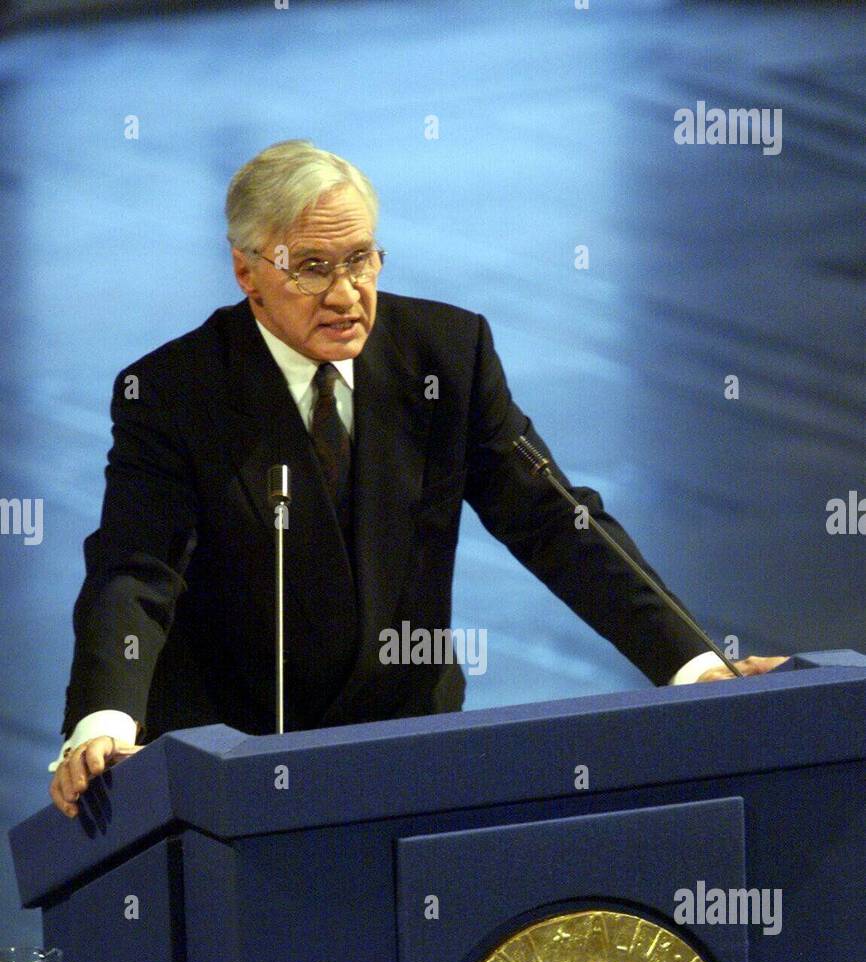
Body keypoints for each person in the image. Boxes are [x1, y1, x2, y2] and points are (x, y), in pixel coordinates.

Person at [49, 140, 785, 818]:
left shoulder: (444, 355)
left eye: (361, 260)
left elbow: (555, 521)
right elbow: (136, 569)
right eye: (311, 267)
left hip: (405, 744)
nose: (345, 294)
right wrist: (106, 721)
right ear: (247, 271)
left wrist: (693, 664)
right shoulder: (175, 392)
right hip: (236, 762)